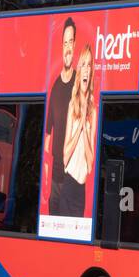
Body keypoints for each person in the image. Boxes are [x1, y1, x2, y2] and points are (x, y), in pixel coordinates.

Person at [55, 46, 96, 217]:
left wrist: (85, 128)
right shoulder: (72, 105)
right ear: (79, 70)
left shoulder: (93, 110)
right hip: (69, 184)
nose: (86, 70)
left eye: (89, 65)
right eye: (83, 65)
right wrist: (80, 126)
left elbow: (90, 161)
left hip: (81, 189)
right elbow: (65, 156)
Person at [45, 18, 78, 214]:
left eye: (71, 41)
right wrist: (47, 171)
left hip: (72, 176)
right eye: (64, 42)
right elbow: (48, 132)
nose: (67, 47)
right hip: (55, 178)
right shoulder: (55, 86)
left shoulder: (79, 84)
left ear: (75, 44)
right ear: (61, 46)